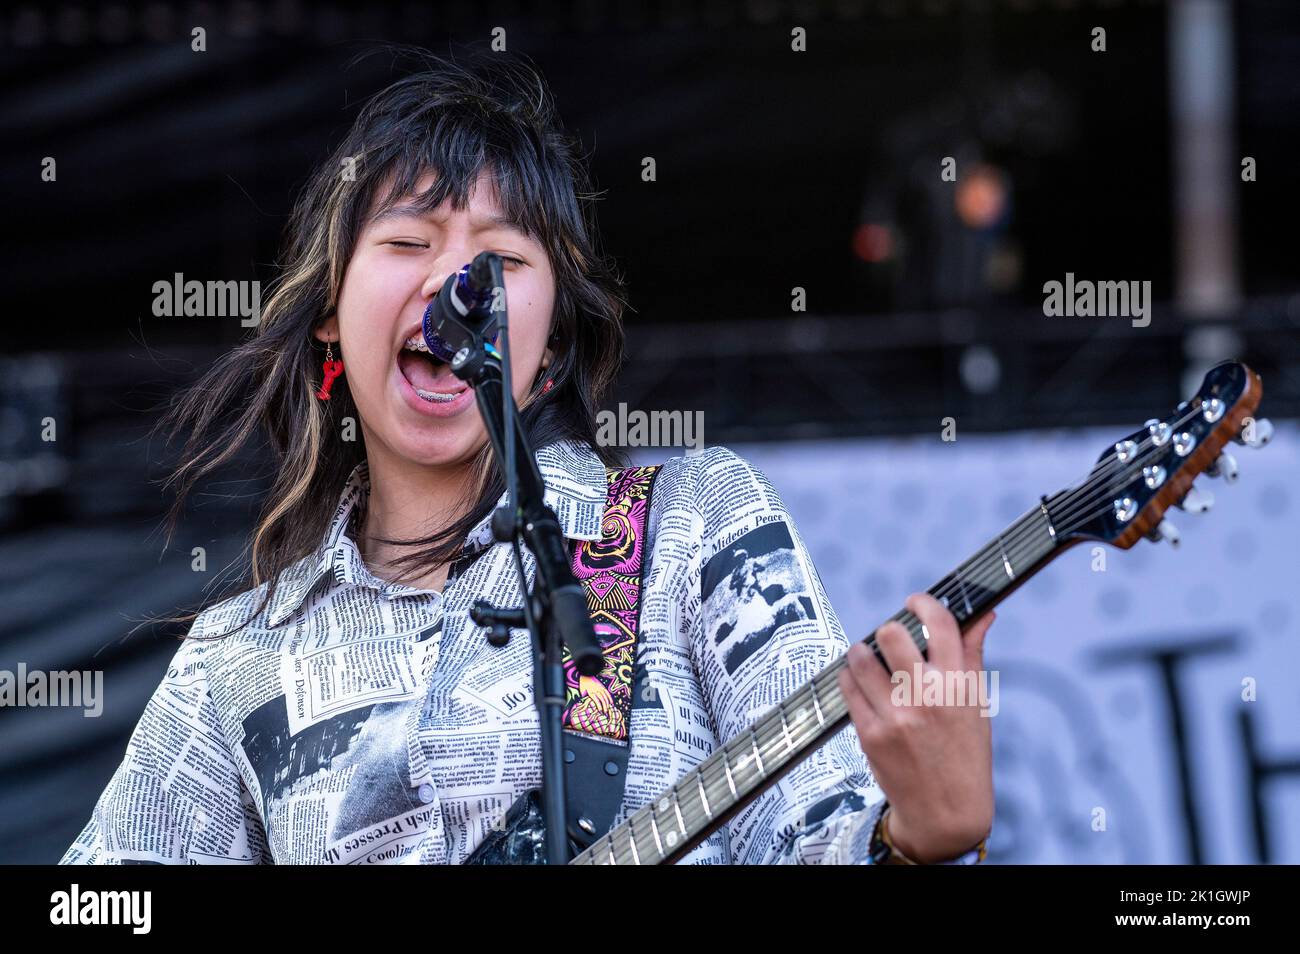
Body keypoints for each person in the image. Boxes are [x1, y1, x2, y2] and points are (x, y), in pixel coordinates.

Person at [60, 48, 994, 866]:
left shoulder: (694, 525)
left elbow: (816, 836)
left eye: (501, 260)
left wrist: (915, 842)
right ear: (330, 324)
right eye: (407, 241)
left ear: (547, 344)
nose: (455, 284)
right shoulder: (239, 661)